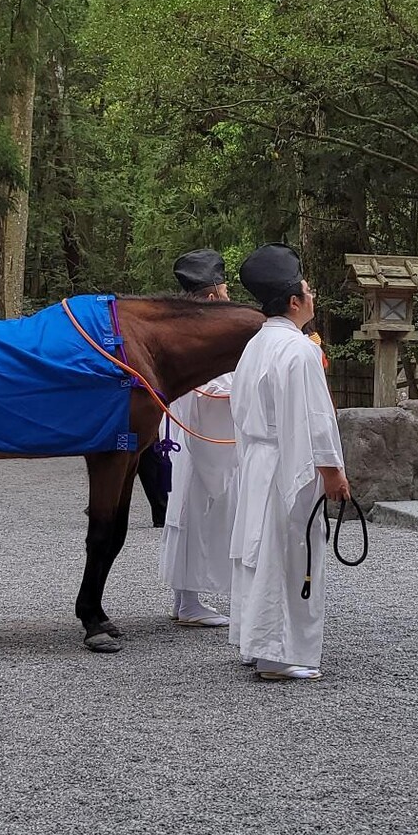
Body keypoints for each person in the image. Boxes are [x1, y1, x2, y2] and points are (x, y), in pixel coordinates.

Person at [229, 245, 350, 681]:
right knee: (291, 550)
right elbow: (315, 418)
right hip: (287, 461)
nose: (313, 295)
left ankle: (257, 641)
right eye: (307, 289)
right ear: (294, 302)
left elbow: (240, 411)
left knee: (262, 550)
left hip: (261, 459)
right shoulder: (297, 350)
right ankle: (280, 653)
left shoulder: (257, 345)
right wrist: (333, 471)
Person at [160, 248, 239, 627]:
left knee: (192, 508)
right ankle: (188, 600)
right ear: (211, 297)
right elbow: (210, 386)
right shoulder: (195, 333)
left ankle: (185, 597)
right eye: (224, 292)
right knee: (195, 506)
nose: (228, 298)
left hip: (199, 428)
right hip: (198, 428)